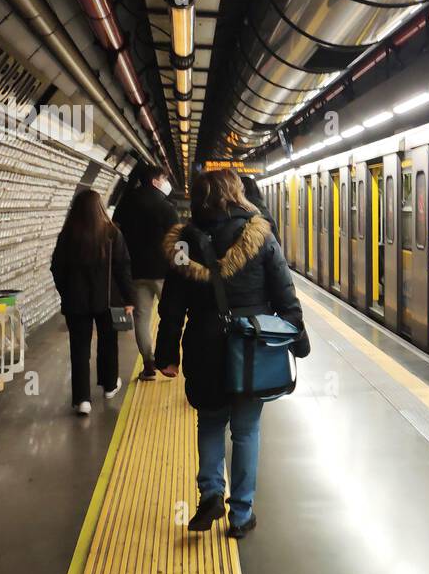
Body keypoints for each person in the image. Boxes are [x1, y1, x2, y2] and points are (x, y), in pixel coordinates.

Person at [155, 170, 310, 538]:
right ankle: (240, 515)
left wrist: (166, 354)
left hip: (203, 344)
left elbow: (172, 307)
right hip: (250, 348)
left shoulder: (183, 244)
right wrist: (299, 342)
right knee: (246, 430)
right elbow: (285, 295)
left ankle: (210, 492)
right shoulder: (260, 236)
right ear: (236, 194)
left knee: (209, 421)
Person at [50, 190, 136, 415]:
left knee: (79, 349)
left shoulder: (67, 235)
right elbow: (122, 268)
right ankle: (109, 386)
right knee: (109, 343)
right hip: (107, 301)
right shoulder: (112, 233)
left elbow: (57, 268)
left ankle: (82, 400)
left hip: (76, 303)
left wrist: (66, 292)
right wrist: (129, 298)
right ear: (100, 207)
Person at [113, 163, 178, 379]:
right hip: (164, 272)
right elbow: (177, 240)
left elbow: (117, 230)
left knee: (141, 318)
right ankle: (168, 361)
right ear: (155, 181)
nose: (166, 183)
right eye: (164, 178)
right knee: (170, 315)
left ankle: (149, 365)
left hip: (137, 271)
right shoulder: (166, 207)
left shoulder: (126, 203)